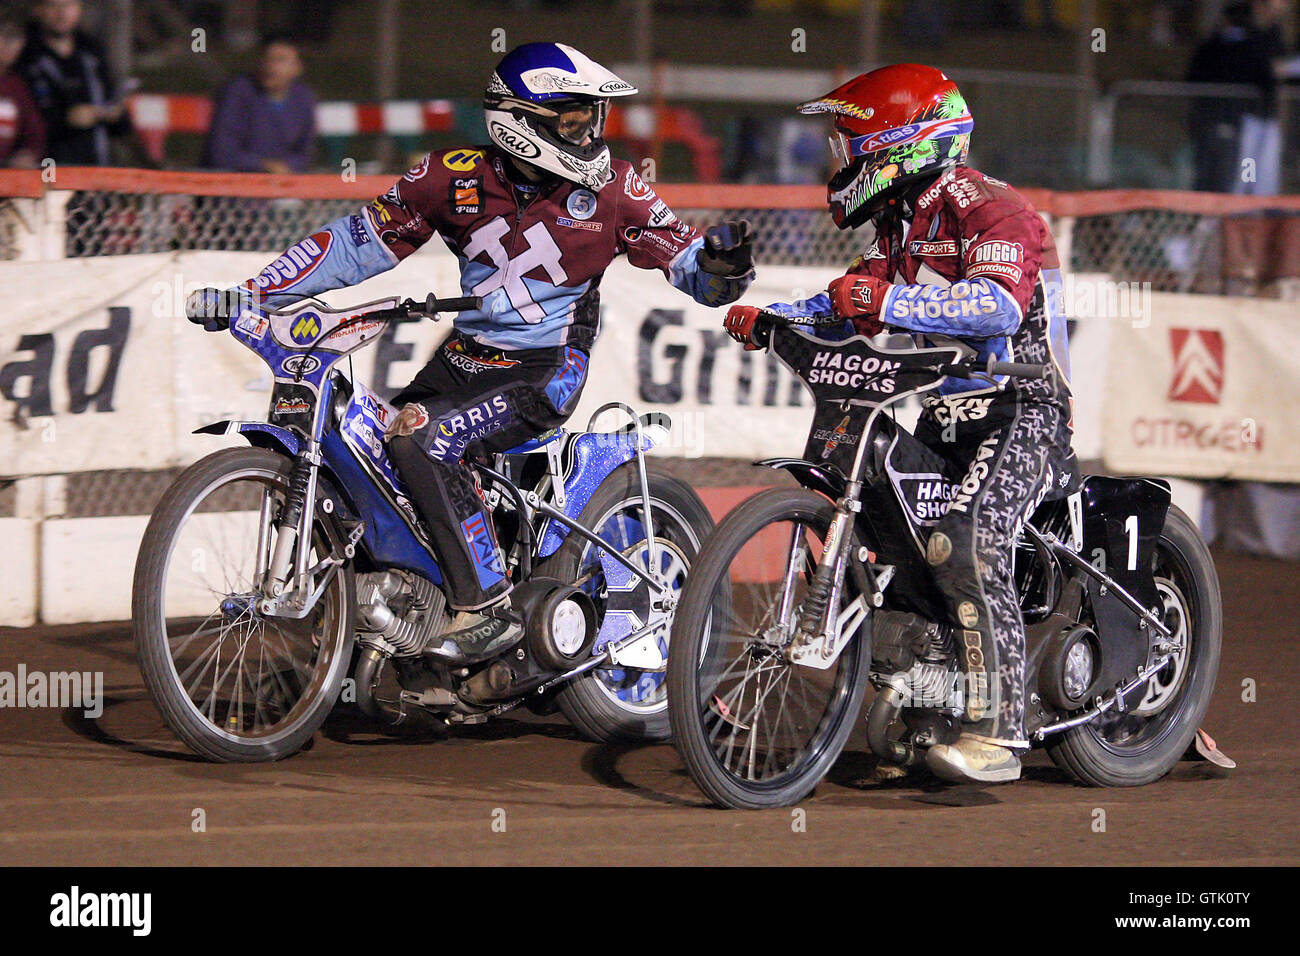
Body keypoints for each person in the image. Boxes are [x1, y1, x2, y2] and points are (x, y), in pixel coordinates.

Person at [187, 42, 754, 657]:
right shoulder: (447, 176)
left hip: (548, 367)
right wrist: (253, 293)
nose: (591, 134)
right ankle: (401, 612)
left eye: (594, 118)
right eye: (574, 120)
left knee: (423, 438)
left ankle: (485, 610)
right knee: (375, 452)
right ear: (520, 123)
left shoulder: (617, 190)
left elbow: (697, 270)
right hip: (463, 357)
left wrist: (726, 267)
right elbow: (352, 246)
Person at [723, 64, 1076, 784]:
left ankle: (999, 728)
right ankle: (926, 693)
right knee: (893, 532)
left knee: (965, 539)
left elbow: (996, 308)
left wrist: (885, 305)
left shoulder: (991, 206)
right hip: (945, 418)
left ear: (903, 144)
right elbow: (852, 298)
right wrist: (777, 318)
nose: (840, 157)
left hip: (1022, 413)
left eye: (851, 141)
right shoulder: (903, 220)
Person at [18, 0, 132, 166]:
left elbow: (119, 121)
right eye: (53, 6)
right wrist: (67, 120)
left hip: (96, 165)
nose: (62, 13)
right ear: (38, 9)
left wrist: (115, 113)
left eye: (68, 5)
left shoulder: (91, 53)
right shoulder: (26, 57)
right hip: (47, 168)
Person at [202, 34, 316, 174]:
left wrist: (287, 167)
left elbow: (304, 153)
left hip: (281, 183)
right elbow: (221, 152)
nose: (270, 66)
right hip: (236, 181)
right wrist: (265, 166)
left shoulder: (304, 98)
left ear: (298, 68)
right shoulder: (237, 92)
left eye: (280, 60)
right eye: (267, 58)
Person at [0, 10, 45, 167]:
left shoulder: (16, 87)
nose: (9, 44)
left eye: (16, 37)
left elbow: (34, 134)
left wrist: (26, 155)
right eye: (4, 35)